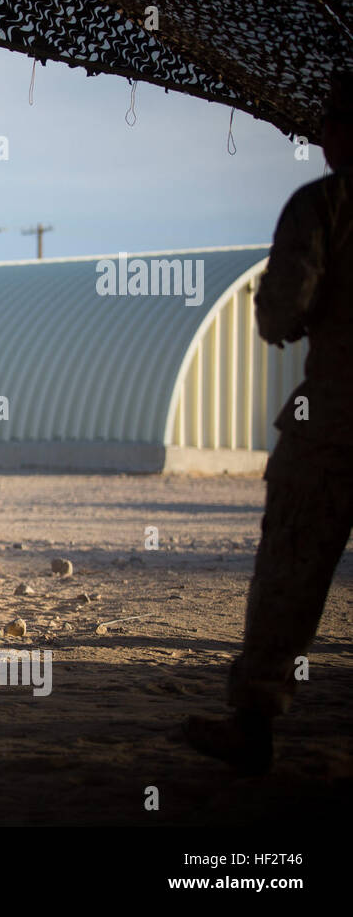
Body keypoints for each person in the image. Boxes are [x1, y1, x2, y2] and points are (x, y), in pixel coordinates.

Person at [185, 73, 353, 776]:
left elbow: (279, 315)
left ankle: (255, 717)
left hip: (337, 422)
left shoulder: (325, 206)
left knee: (291, 564)